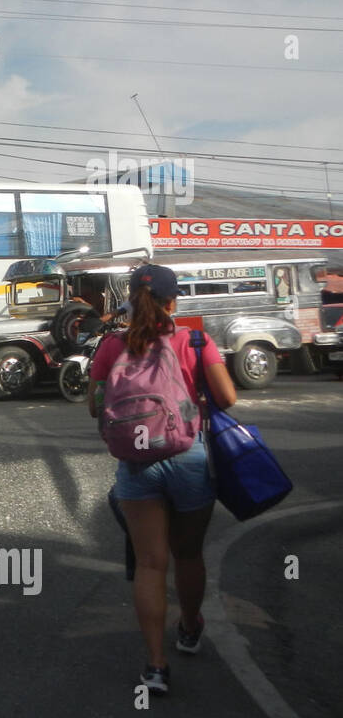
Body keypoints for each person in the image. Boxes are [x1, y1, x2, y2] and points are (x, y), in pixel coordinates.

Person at [88, 263, 238, 696]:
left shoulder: (112, 345)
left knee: (151, 564)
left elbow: (95, 407)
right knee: (188, 555)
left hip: (136, 465)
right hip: (187, 456)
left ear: (131, 300)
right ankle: (189, 629)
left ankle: (156, 667)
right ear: (174, 301)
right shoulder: (194, 339)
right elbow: (228, 397)